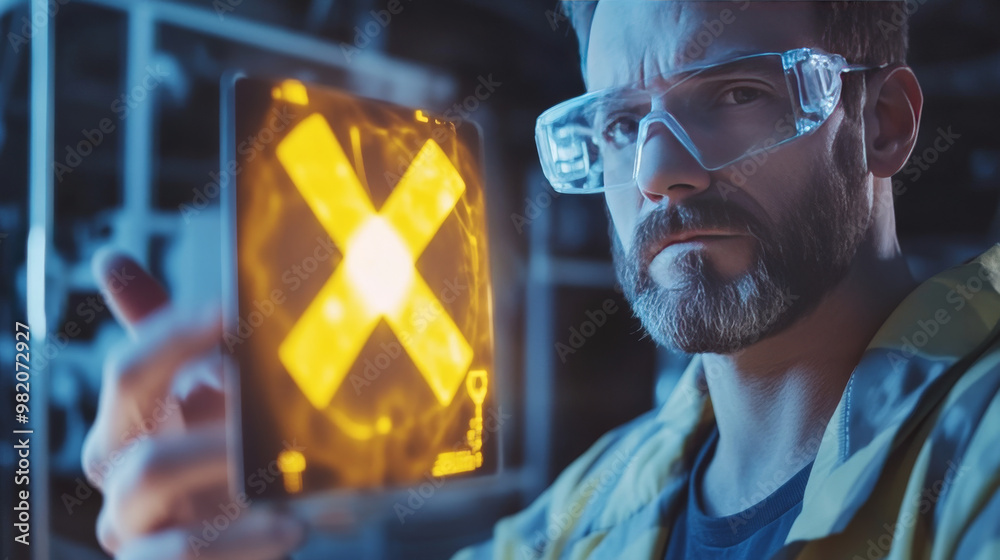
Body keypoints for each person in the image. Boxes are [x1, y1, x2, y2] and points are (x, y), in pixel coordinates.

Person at [82, 1, 1000, 559]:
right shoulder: (598, 507)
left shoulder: (977, 462)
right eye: (614, 126)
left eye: (734, 95)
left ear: (881, 122)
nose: (654, 174)